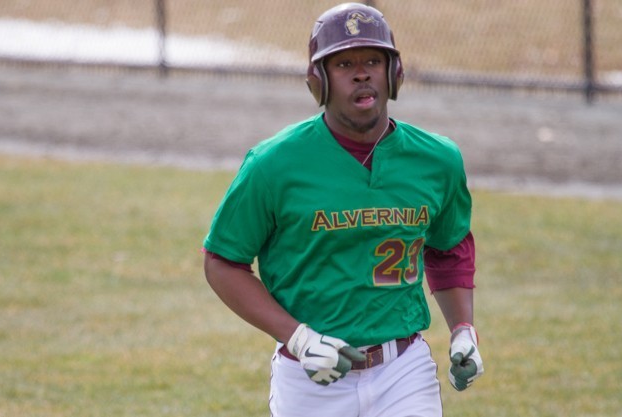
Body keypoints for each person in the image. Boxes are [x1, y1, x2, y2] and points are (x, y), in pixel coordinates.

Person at [202, 3, 484, 416]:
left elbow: (449, 247)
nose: (361, 73)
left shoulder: (438, 160)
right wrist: (296, 337)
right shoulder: (273, 164)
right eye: (344, 63)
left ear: (393, 72)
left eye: (373, 60)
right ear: (319, 81)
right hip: (309, 379)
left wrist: (463, 330)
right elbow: (223, 262)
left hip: (403, 371)